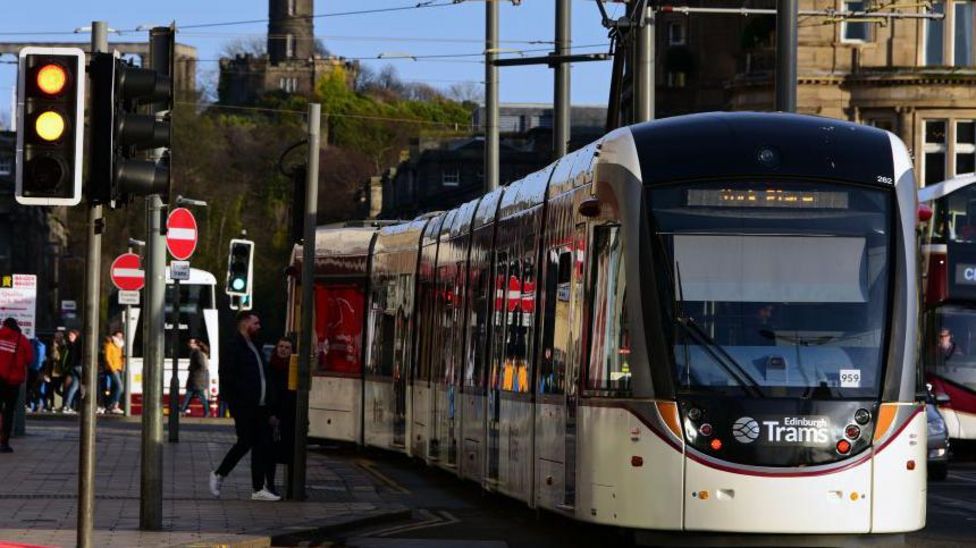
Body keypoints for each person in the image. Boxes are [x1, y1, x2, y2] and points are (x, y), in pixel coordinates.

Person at [210, 311, 280, 501]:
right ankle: (219, 474)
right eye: (255, 323)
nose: (259, 327)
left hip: (260, 405)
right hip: (244, 406)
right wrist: (238, 399)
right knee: (246, 442)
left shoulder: (255, 345)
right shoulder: (234, 346)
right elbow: (227, 376)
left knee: (261, 445)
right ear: (245, 323)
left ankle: (258, 489)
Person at [0, 318, 34, 453]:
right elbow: (30, 359)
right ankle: (4, 442)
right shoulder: (22, 340)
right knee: (8, 411)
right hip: (13, 381)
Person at [268, 337, 295, 471]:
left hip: (288, 416)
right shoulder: (270, 367)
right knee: (270, 454)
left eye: (287, 347)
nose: (283, 350)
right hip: (272, 415)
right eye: (281, 346)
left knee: (289, 454)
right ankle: (270, 484)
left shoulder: (293, 369)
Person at [181, 338, 211, 417]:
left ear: (196, 345)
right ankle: (182, 410)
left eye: (191, 343)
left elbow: (201, 365)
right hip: (196, 379)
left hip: (197, 379)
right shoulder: (197, 352)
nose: (189, 344)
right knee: (189, 395)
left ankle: (207, 411)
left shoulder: (197, 353)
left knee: (199, 396)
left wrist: (192, 368)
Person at [103, 330, 125, 414]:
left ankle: (110, 405)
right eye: (118, 336)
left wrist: (122, 365)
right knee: (120, 387)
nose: (119, 337)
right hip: (112, 369)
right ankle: (114, 405)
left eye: (121, 336)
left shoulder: (119, 346)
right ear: (114, 336)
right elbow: (107, 358)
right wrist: (112, 368)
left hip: (118, 368)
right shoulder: (109, 345)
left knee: (115, 388)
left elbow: (121, 358)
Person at [61, 329, 82, 413]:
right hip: (78, 366)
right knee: (88, 384)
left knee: (74, 386)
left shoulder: (70, 345)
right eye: (69, 335)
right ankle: (95, 405)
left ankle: (67, 405)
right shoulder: (75, 344)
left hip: (73, 367)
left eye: (71, 335)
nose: (69, 337)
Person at [27, 336, 46, 412]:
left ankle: (31, 405)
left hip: (32, 369)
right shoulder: (42, 345)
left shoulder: (32, 345)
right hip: (39, 370)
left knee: (30, 388)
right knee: (38, 388)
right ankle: (39, 404)